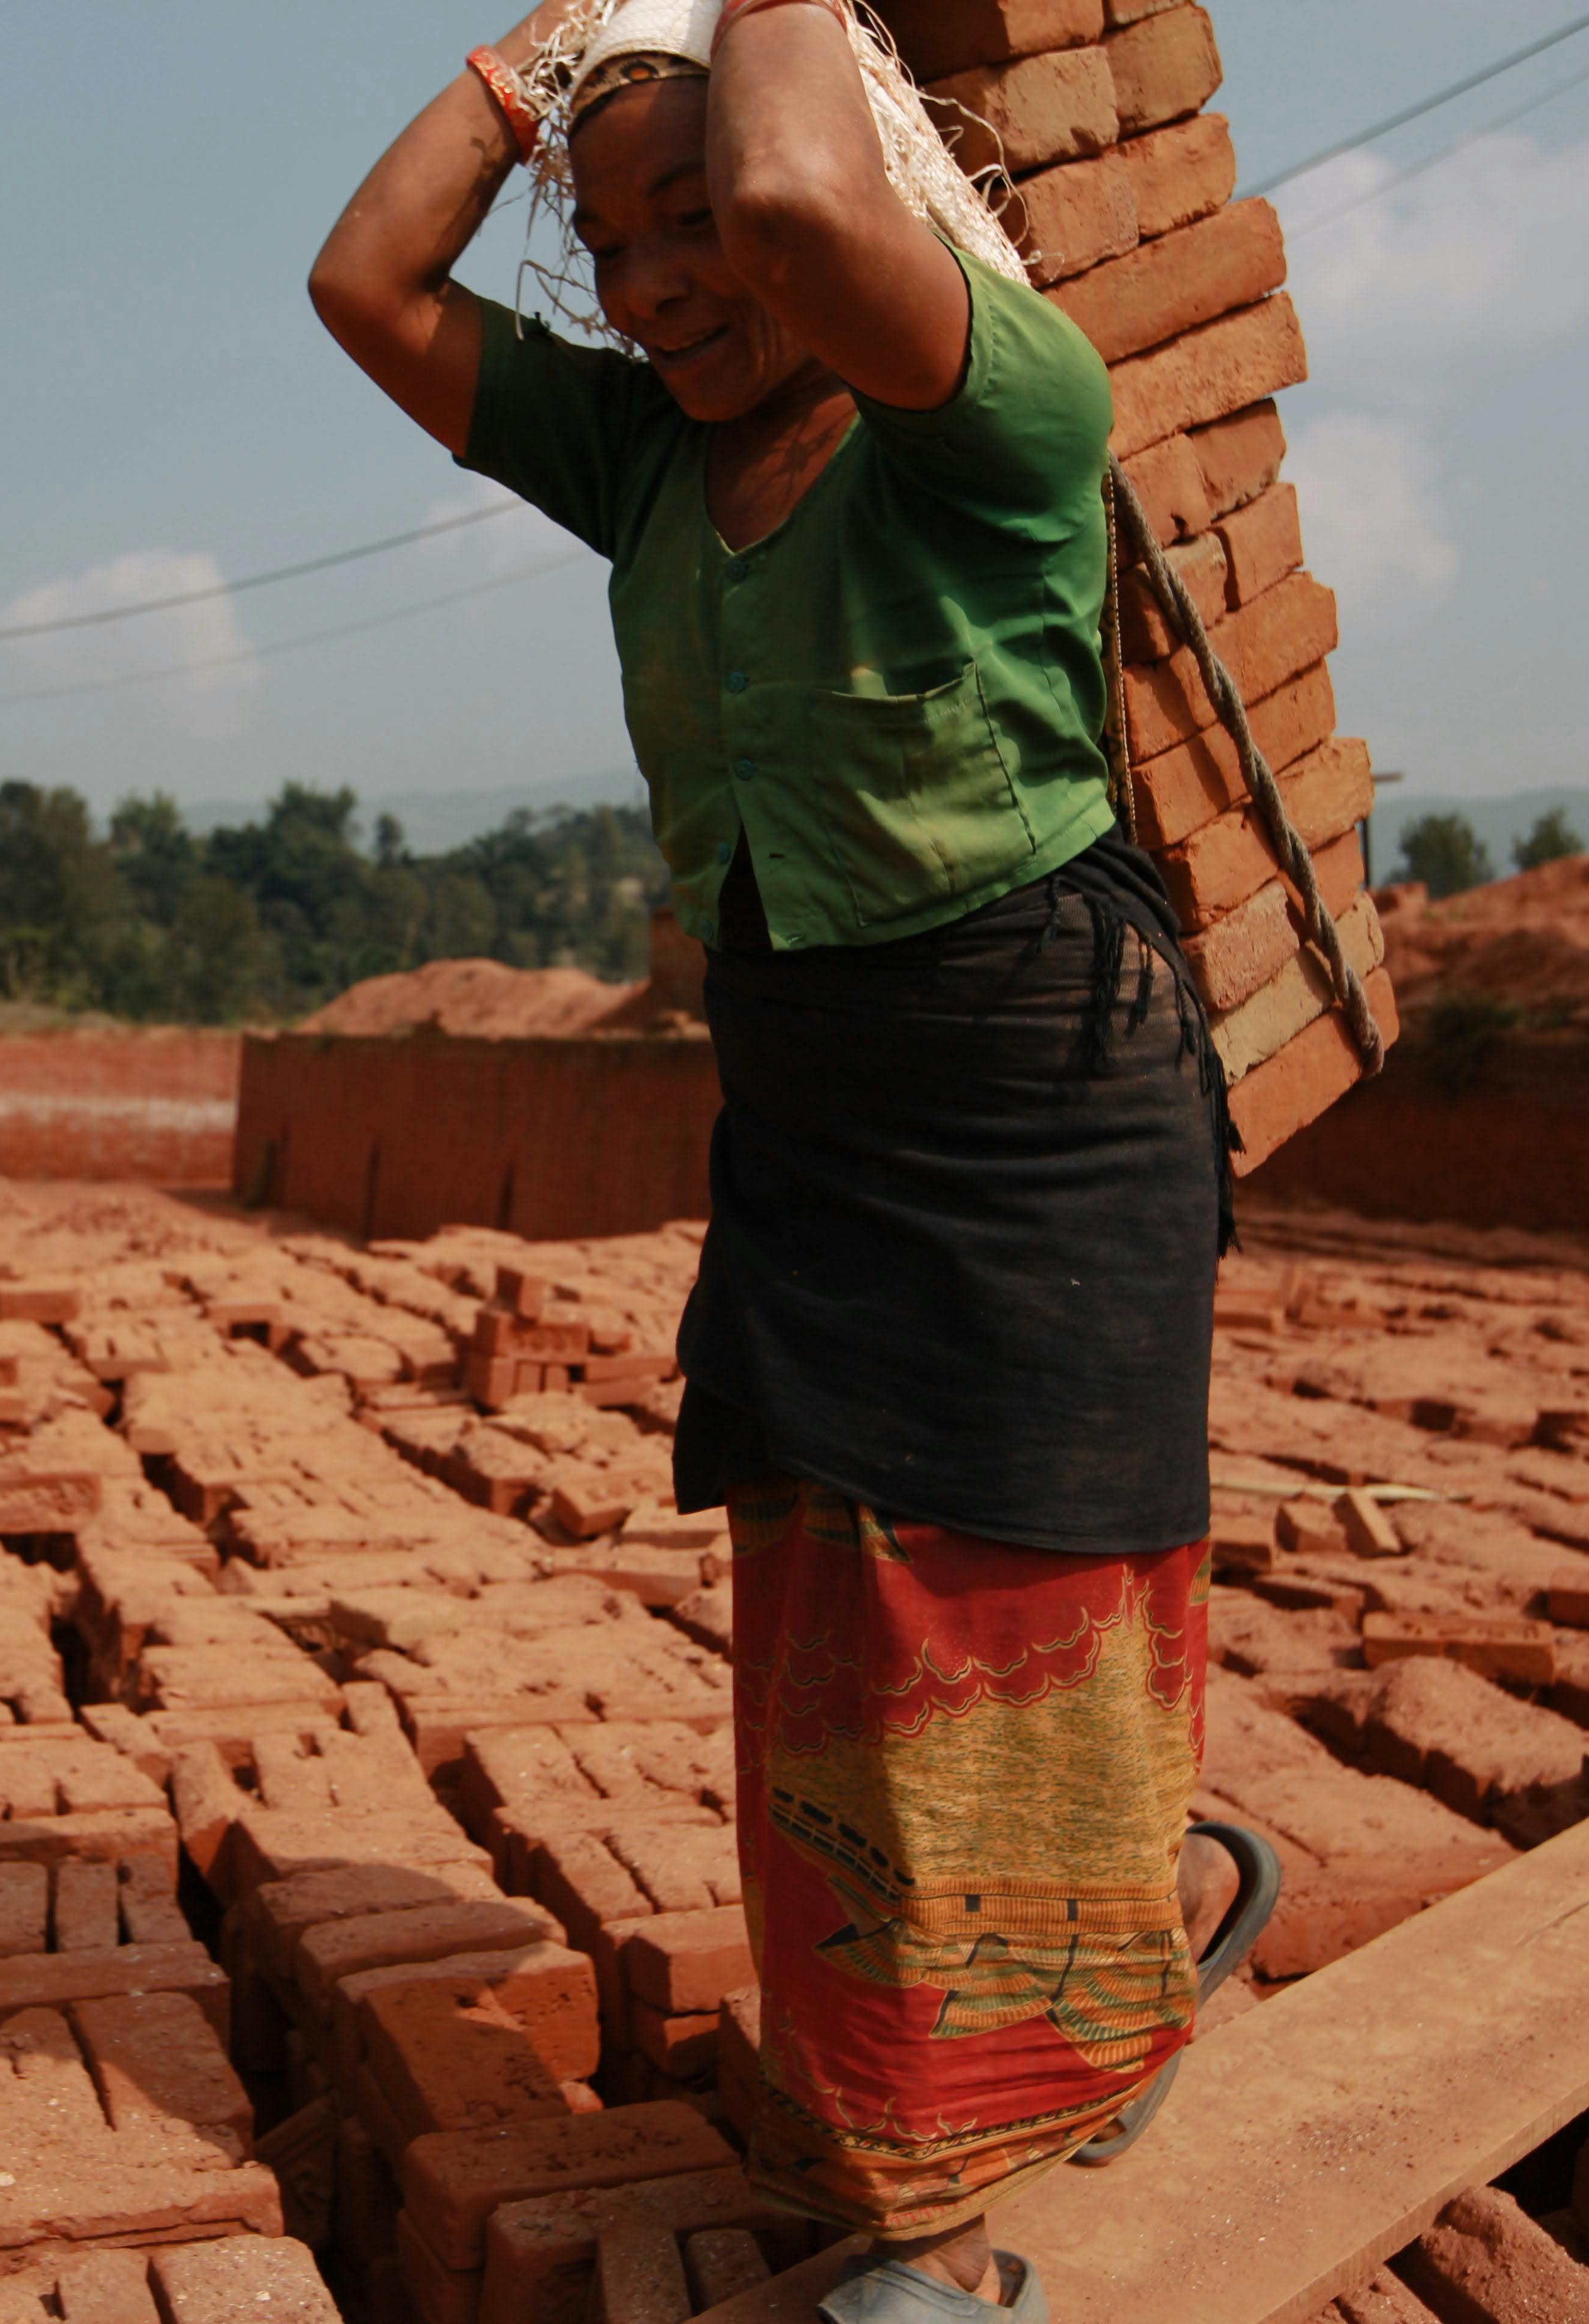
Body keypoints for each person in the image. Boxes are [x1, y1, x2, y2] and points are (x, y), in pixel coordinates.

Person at [311, 3, 1274, 2314]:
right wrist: (535, 70)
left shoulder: (996, 404)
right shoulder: (641, 456)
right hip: (815, 1118)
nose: (660, 281)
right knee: (836, 1652)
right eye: (610, 242)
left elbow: (802, 201)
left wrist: (755, 2)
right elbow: (365, 284)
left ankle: (935, 2231)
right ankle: (1036, 2029)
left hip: (1042, 1111)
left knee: (1010, 1625)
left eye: (695, 220)